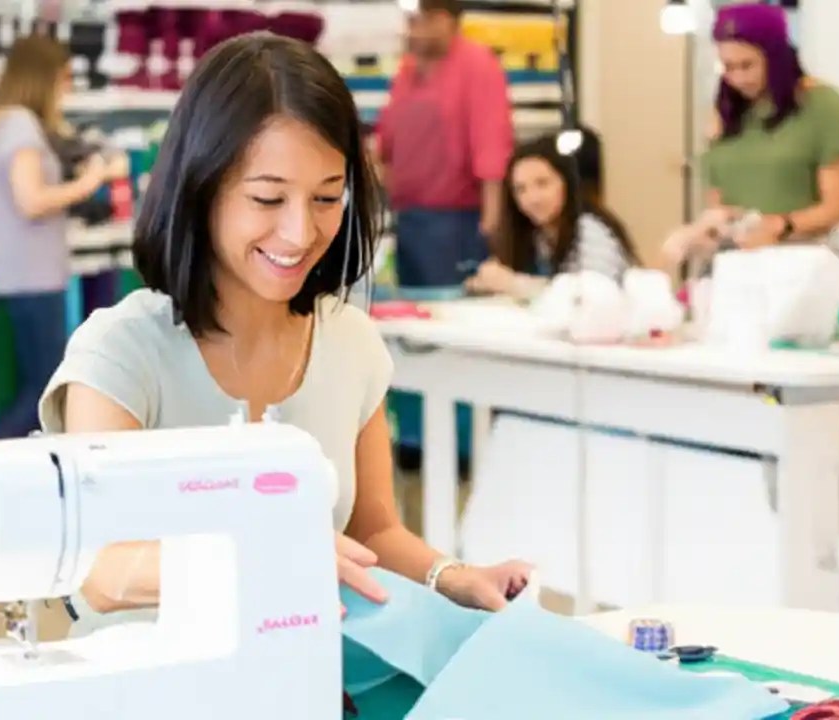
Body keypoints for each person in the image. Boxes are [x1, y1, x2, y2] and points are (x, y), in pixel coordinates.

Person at [36, 32, 531, 634]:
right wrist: (269, 554)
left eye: (327, 197)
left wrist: (453, 578)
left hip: (297, 674)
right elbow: (102, 572)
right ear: (202, 186)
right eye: (268, 198)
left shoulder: (350, 343)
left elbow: (371, 532)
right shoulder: (120, 353)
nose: (300, 233)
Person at [0, 35, 113, 439]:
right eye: (63, 78)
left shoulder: (7, 123)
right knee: (44, 390)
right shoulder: (19, 124)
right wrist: (91, 181)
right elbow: (31, 200)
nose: (65, 88)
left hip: (26, 274)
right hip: (32, 276)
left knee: (39, 383)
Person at [664, 3, 839, 267]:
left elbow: (835, 208)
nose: (738, 78)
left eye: (747, 65)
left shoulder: (821, 104)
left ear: (775, 57)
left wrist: (778, 226)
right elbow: (722, 203)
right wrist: (703, 231)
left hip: (802, 265)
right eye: (728, 67)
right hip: (737, 266)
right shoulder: (725, 112)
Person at [375, 0, 514, 290]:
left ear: (444, 20)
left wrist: (491, 224)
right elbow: (388, 138)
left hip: (457, 221)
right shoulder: (409, 69)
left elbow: (491, 145)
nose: (410, 31)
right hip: (408, 219)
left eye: (418, 21)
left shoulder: (478, 65)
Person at [466, 134, 638, 299]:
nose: (532, 198)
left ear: (567, 184)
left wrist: (513, 283)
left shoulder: (589, 230)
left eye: (542, 183)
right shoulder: (535, 235)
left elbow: (590, 297)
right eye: (521, 189)